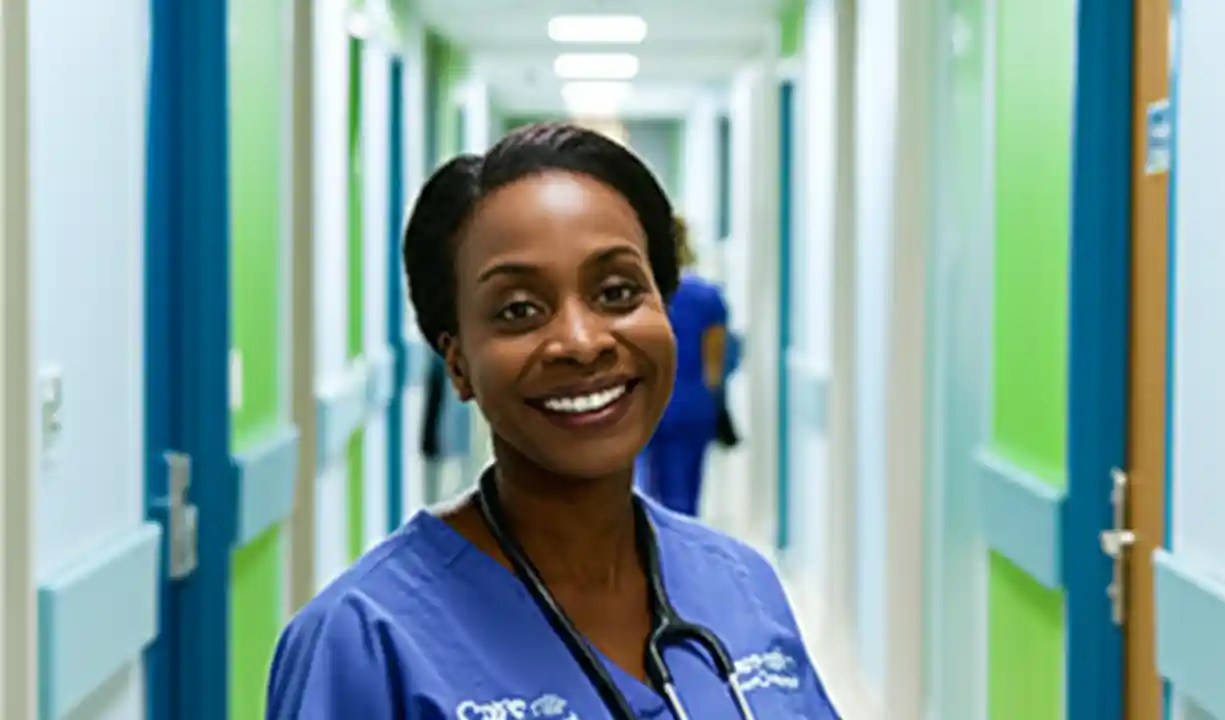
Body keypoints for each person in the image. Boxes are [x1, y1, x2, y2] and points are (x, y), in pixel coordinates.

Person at [265, 122, 838, 719]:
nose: (582, 341)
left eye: (617, 292)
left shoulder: (741, 587)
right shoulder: (365, 643)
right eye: (519, 310)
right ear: (457, 363)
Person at [637, 219, 731, 516]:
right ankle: (678, 558)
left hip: (644, 401)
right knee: (684, 496)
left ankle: (647, 556)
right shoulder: (707, 296)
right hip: (692, 402)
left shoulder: (638, 295)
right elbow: (714, 366)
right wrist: (716, 403)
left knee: (644, 491)